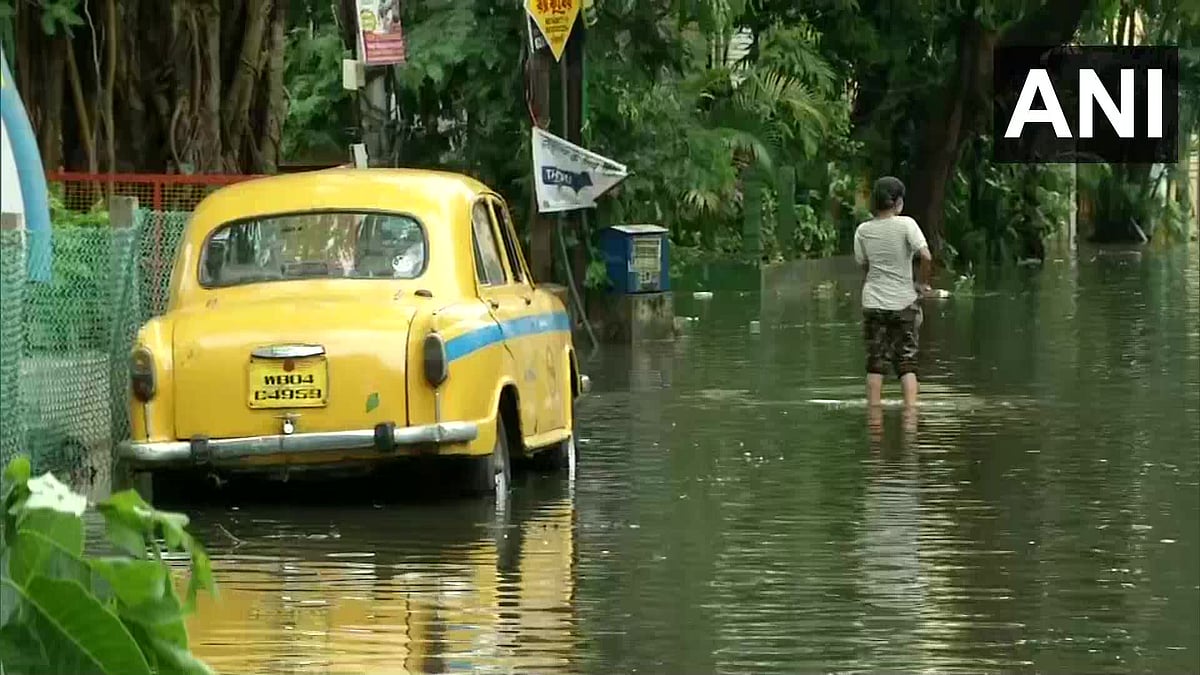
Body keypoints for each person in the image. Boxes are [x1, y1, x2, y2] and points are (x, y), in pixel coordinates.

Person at [853, 176, 932, 408]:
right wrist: (922, 284)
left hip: (873, 303)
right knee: (907, 363)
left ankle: (874, 416)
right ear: (898, 202)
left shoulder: (863, 231)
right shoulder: (907, 225)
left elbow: (864, 265)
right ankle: (910, 415)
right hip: (904, 303)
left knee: (875, 363)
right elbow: (926, 256)